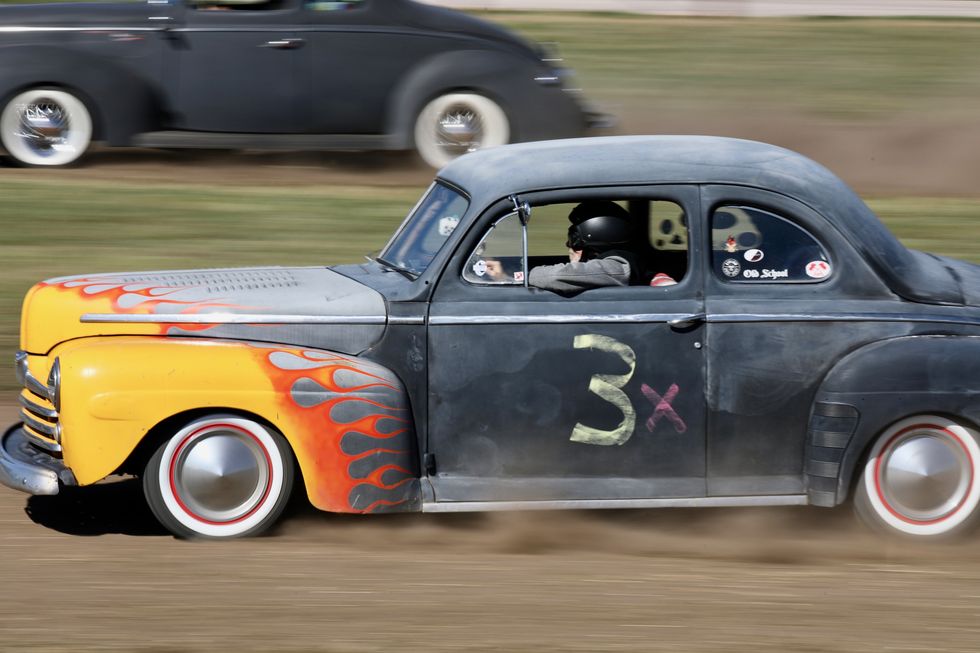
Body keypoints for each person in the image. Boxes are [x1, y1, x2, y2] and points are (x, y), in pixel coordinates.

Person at [528, 201, 642, 295]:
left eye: (574, 240)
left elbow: (555, 276)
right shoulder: (618, 264)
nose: (568, 245)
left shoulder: (617, 268)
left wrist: (522, 275)